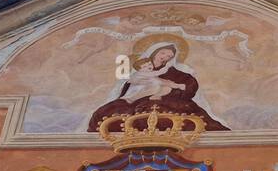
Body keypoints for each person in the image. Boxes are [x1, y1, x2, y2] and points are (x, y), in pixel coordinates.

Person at [87, 41, 228, 131]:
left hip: (161, 98)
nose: (165, 57)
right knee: (104, 113)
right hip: (137, 99)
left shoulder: (174, 71)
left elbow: (189, 84)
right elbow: (129, 84)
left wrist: (174, 86)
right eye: (163, 53)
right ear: (155, 52)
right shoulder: (140, 69)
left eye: (169, 56)